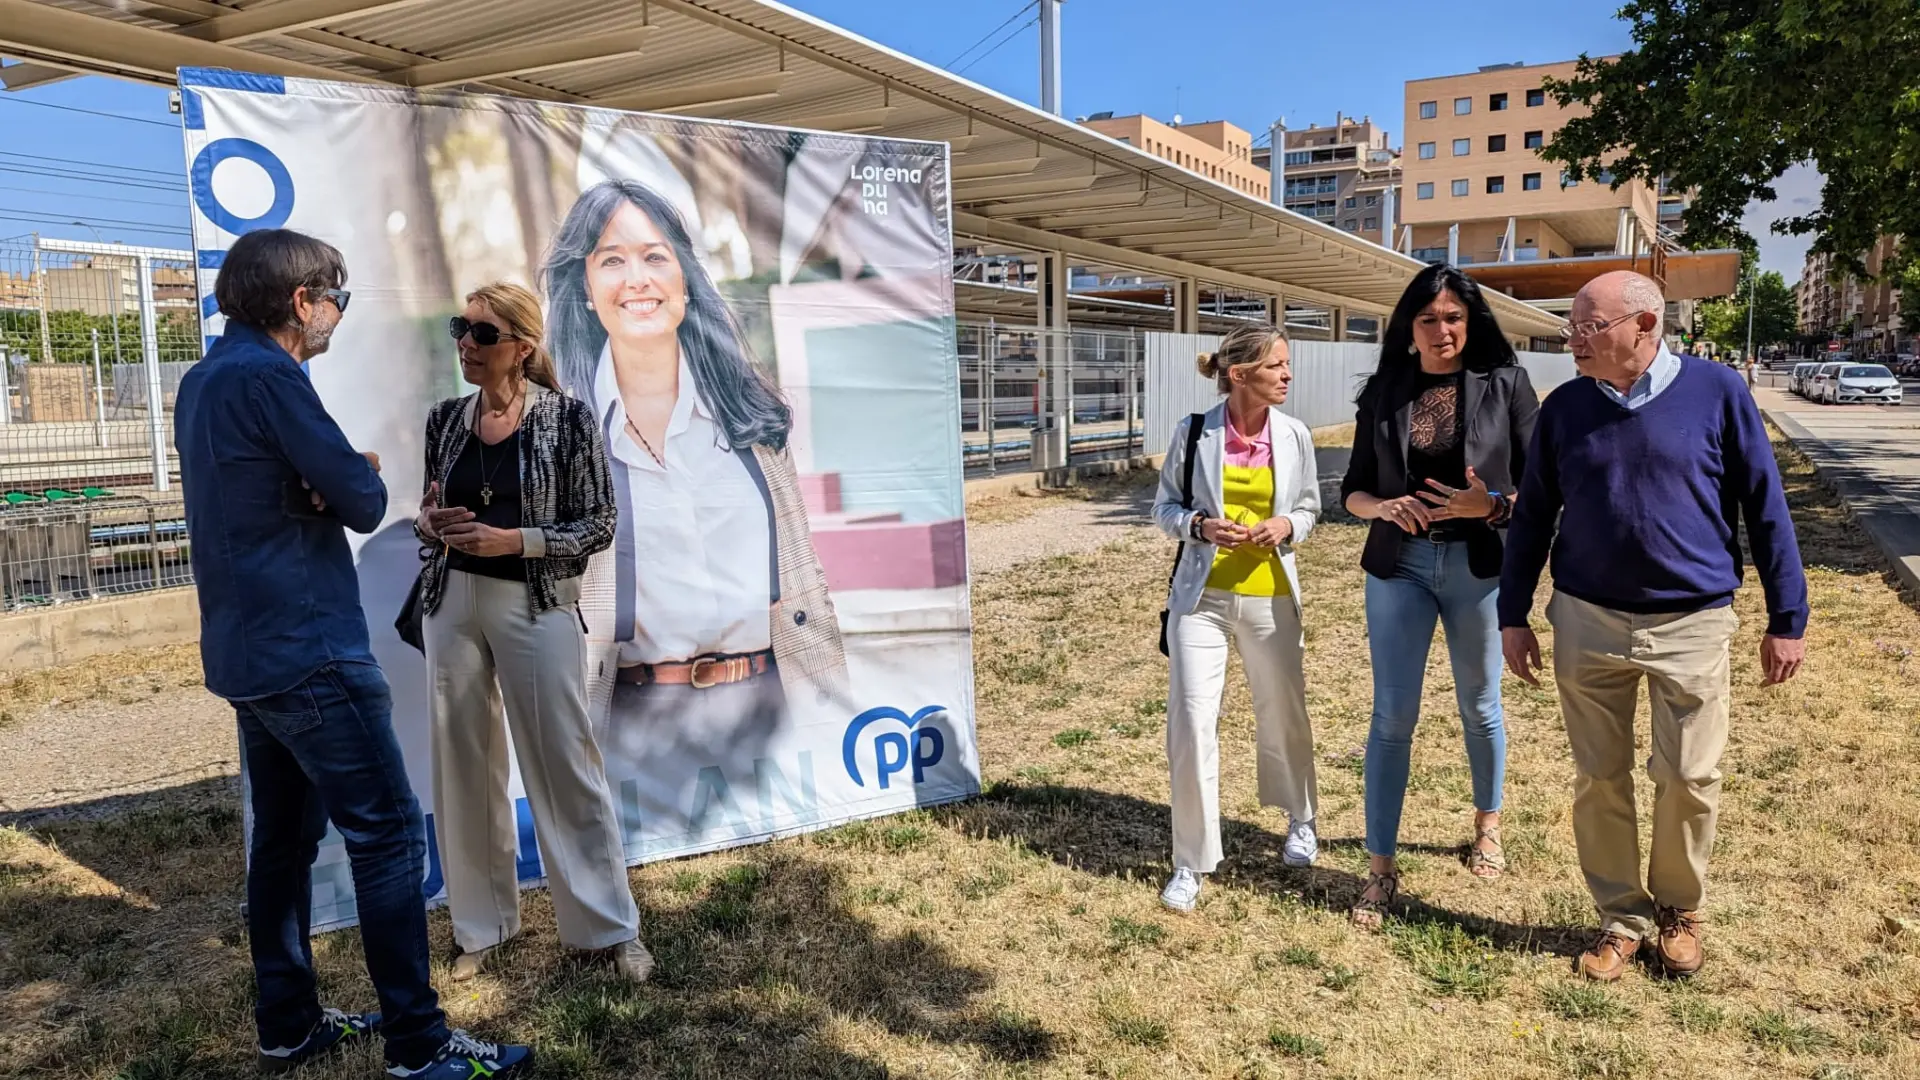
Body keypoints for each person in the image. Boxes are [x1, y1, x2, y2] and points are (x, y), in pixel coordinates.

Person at [174, 229, 530, 1078]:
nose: (338, 309)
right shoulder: (272, 376)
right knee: (390, 836)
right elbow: (366, 500)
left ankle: (287, 1024)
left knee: (285, 845)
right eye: (335, 294)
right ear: (302, 303)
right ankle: (419, 1044)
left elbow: (302, 487)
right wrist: (349, 471)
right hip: (311, 650)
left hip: (246, 652)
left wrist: (329, 478)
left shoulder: (202, 380)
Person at [1501, 270, 1809, 982]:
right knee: (1598, 778)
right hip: (1588, 618)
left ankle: (1679, 907)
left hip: (1693, 620)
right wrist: (1512, 613)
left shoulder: (1718, 392)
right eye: (1569, 328)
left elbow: (1765, 507)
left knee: (1691, 774)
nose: (1572, 340)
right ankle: (1622, 916)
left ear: (1645, 326)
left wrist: (1786, 616)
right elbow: (1533, 516)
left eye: (1587, 327)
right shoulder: (1565, 408)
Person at [540, 179, 848, 742]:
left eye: (655, 256)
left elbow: (805, 576)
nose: (638, 279)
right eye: (611, 259)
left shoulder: (751, 417)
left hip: (775, 707)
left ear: (683, 277)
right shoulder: (558, 441)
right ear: (584, 286)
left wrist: (836, 718)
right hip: (633, 724)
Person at [412, 282, 651, 984]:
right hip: (452, 598)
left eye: (483, 334)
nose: (466, 343)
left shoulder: (568, 420)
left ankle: (608, 929)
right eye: (462, 327)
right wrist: (430, 523)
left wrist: (514, 540)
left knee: (563, 763)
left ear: (522, 346)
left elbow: (599, 523)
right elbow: (432, 507)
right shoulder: (444, 420)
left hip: (537, 603)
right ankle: (481, 927)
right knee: (461, 763)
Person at [1339, 264, 1539, 929]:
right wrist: (1385, 507)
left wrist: (1496, 504)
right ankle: (1379, 868)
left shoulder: (1506, 385)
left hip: (1480, 568)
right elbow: (1353, 491)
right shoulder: (1385, 390)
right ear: (1410, 326)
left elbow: (1542, 489)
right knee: (1392, 716)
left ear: (1471, 321)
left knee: (1479, 704)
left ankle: (1487, 825)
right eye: (1429, 319)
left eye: (1454, 317)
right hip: (1400, 566)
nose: (1442, 330)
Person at [1151, 324, 1322, 913]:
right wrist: (1199, 526)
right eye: (1277, 365)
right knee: (1192, 724)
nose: (1287, 375)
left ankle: (1301, 817)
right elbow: (1165, 508)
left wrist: (1287, 527)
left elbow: (1309, 509)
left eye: (1287, 364)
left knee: (1283, 715)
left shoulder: (1294, 434)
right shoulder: (1194, 431)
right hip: (1202, 602)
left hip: (1273, 597)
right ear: (1240, 373)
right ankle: (1190, 860)